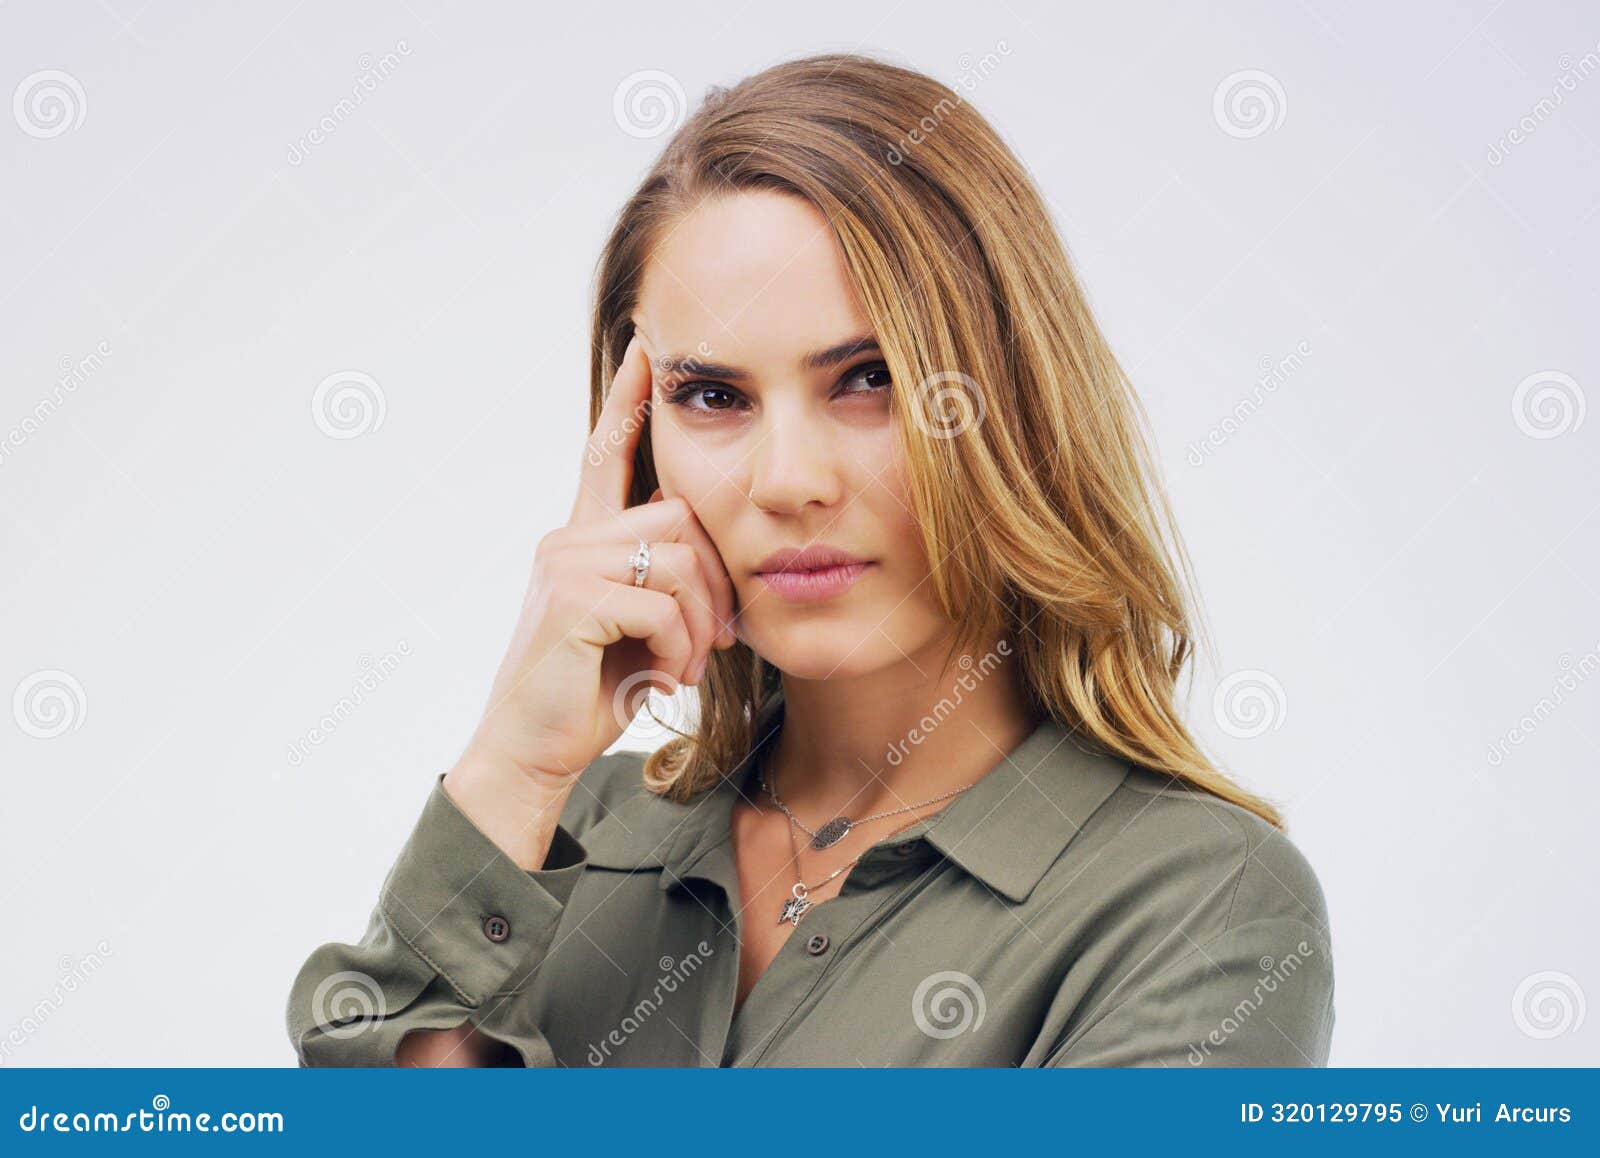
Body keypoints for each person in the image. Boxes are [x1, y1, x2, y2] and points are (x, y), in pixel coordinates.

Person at [286, 51, 1334, 1067]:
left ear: (1009, 402)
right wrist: (513, 766)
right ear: (640, 442)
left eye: (867, 378)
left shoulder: (1201, 902)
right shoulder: (573, 835)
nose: (789, 480)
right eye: (712, 397)